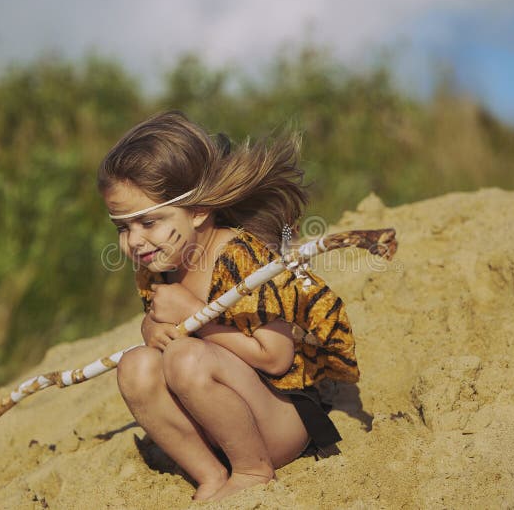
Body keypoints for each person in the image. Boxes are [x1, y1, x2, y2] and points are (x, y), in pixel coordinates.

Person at [97, 111, 359, 501]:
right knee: (135, 365)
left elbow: (276, 358)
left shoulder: (243, 258)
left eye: (149, 222)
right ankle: (210, 474)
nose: (134, 241)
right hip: (220, 427)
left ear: (199, 210)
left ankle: (253, 470)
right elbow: (165, 335)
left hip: (279, 418)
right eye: (123, 227)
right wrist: (152, 329)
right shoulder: (158, 269)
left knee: (187, 358)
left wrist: (195, 318)